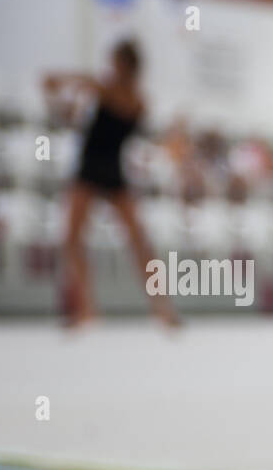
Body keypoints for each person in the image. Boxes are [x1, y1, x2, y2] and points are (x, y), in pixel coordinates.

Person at [44, 39, 178, 327]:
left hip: (112, 172)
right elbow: (74, 107)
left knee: (138, 241)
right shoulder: (106, 90)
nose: (111, 67)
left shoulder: (131, 98)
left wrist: (67, 81)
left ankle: (162, 307)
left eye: (115, 61)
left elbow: (99, 90)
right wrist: (60, 94)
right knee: (72, 237)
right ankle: (86, 307)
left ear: (126, 65)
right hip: (89, 168)